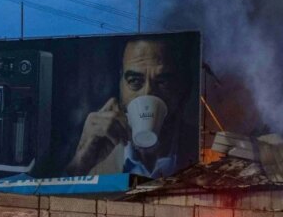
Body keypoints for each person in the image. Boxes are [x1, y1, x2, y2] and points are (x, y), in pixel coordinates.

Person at [67, 37, 191, 179]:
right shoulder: (96, 158)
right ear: (120, 84)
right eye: (135, 81)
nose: (147, 93)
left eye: (162, 82)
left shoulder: (202, 150)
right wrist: (79, 165)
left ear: (182, 87)